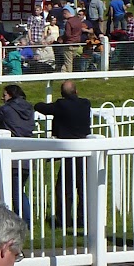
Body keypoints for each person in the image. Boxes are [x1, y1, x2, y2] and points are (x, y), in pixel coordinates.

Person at [35, 81, 93, 231]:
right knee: (83, 187)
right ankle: (83, 218)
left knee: (64, 189)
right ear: (76, 91)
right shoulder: (85, 104)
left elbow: (42, 107)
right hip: (84, 150)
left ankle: (64, 218)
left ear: (62, 94)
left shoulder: (61, 105)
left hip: (68, 151)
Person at [0, 84, 36, 222]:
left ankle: (25, 223)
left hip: (12, 157)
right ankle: (23, 221)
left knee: (16, 192)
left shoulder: (7, 109)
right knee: (18, 190)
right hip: (26, 156)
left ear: (10, 95)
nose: (2, 98)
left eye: (4, 95)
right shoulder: (29, 109)